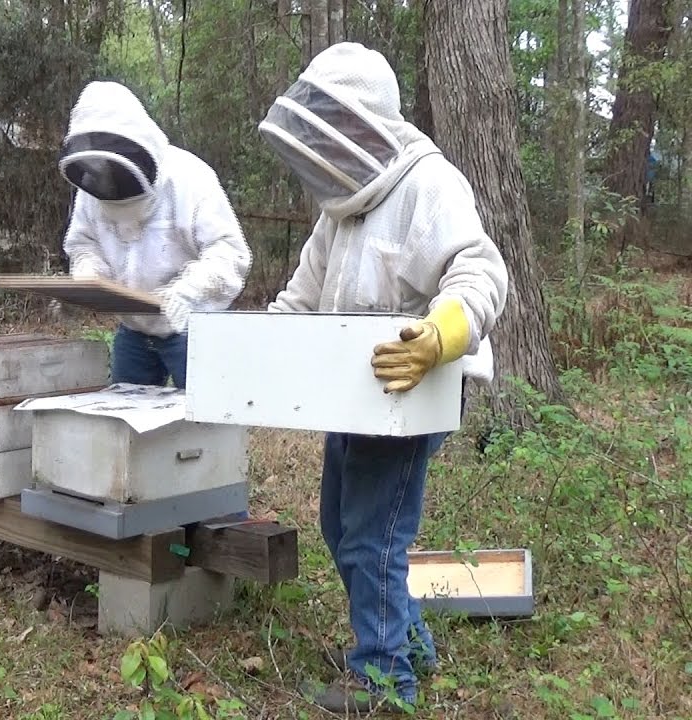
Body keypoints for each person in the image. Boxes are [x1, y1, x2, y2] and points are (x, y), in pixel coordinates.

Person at [256, 43, 509, 713]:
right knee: (342, 527)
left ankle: (382, 678)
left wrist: (438, 335)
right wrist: (257, 349)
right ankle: (410, 644)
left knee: (374, 533)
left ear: (364, 124)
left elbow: (481, 272)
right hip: (355, 390)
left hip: (412, 389)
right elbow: (300, 298)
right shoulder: (340, 210)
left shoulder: (430, 184)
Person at [59, 80, 251, 390]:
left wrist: (188, 291)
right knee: (128, 422)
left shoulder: (190, 178)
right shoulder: (93, 185)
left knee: (205, 426)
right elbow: (84, 243)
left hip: (196, 327)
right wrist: (89, 273)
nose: (108, 178)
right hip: (134, 330)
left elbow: (229, 252)